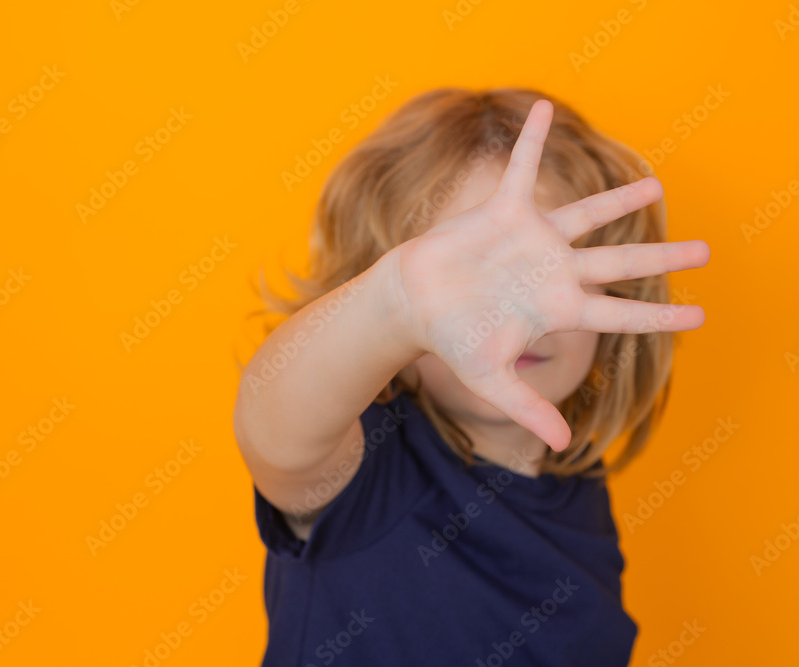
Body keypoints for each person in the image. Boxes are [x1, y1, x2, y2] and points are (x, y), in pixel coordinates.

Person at [233, 87, 710, 666]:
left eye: (546, 270)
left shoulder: (579, 489)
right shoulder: (369, 476)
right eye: (474, 278)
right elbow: (277, 431)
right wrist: (394, 304)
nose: (516, 322)